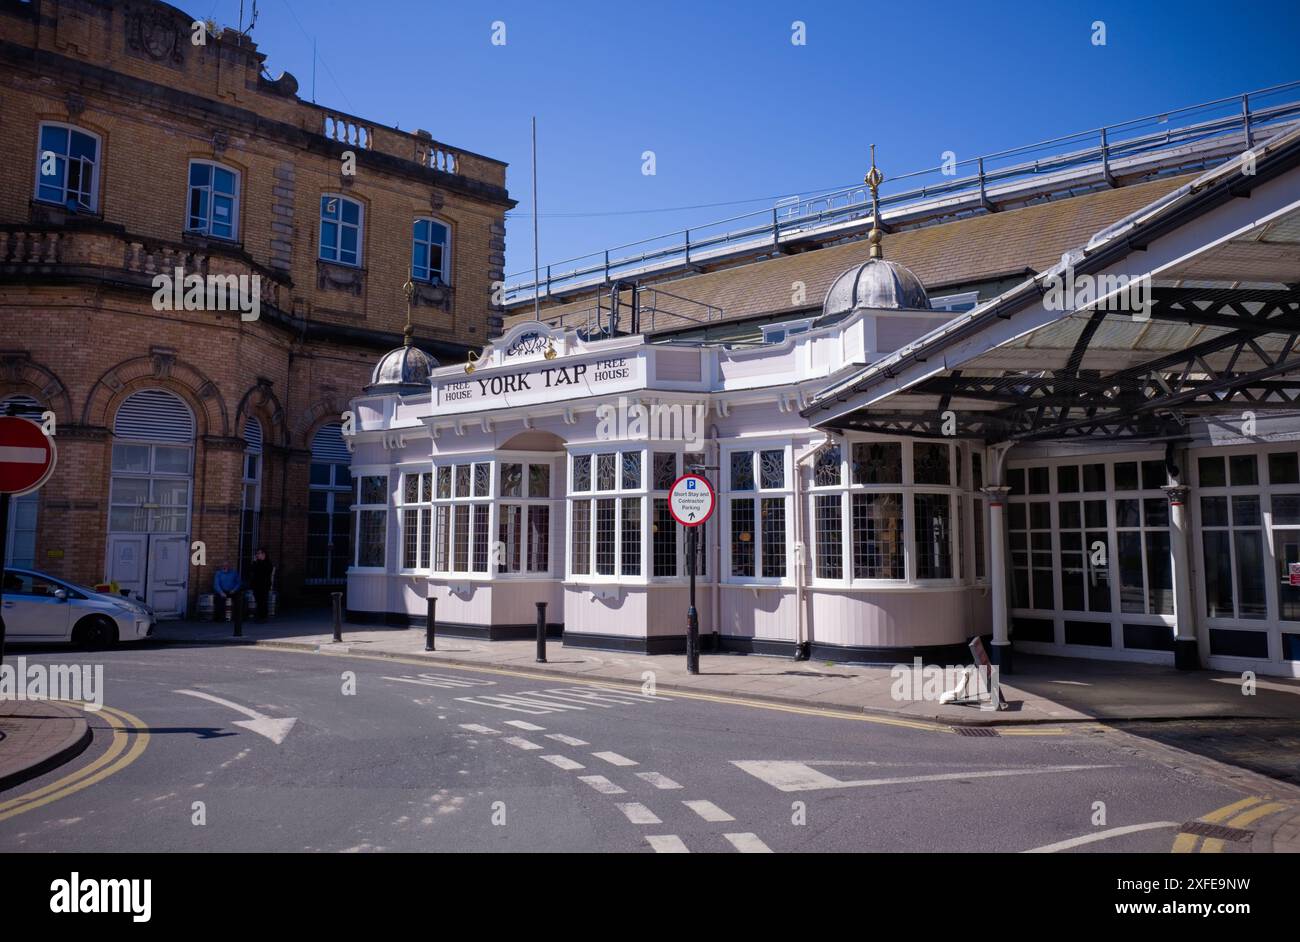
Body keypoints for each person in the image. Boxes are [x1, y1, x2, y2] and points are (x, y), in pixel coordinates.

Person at [249, 548, 274, 623]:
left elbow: (265, 572)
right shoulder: (256, 562)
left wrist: (257, 563)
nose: (257, 555)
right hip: (256, 585)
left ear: (263, 554)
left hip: (264, 585)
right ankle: (259, 616)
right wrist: (254, 562)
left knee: (263, 601)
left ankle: (263, 617)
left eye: (259, 553)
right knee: (258, 601)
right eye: (257, 554)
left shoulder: (268, 563)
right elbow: (252, 570)